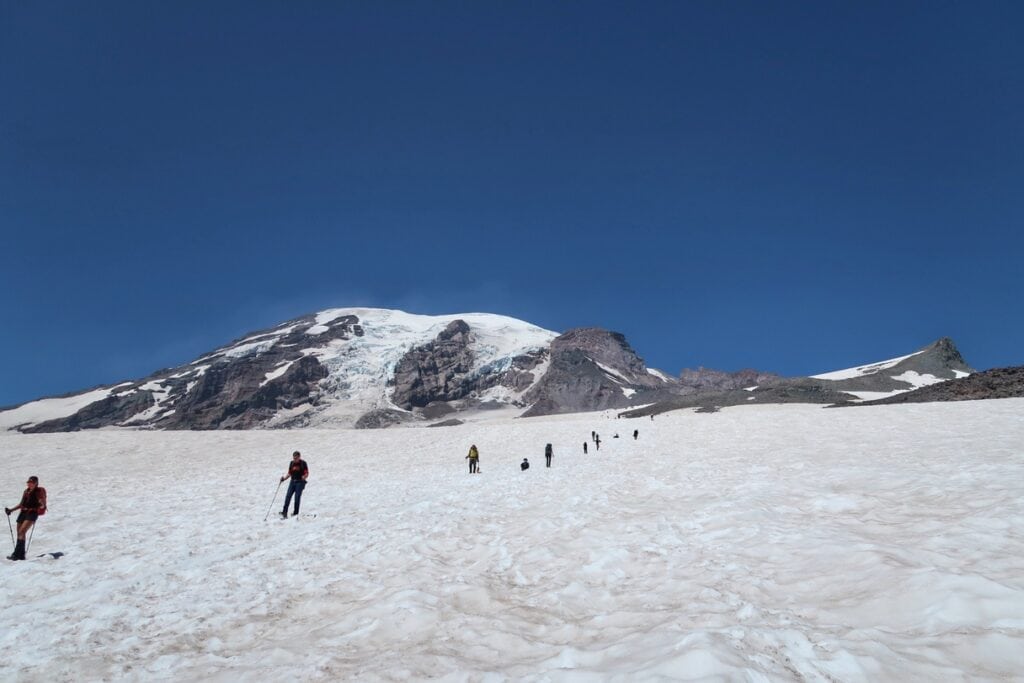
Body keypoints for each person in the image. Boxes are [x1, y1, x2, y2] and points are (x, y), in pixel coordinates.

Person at [5, 476, 46, 561]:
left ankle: (16, 554)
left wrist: (42, 505)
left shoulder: (39, 492)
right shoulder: (26, 491)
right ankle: (21, 555)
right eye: (29, 482)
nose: (30, 484)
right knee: (19, 532)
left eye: (32, 482)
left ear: (36, 483)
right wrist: (11, 510)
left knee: (22, 531)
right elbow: (21, 504)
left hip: (32, 513)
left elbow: (42, 502)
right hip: (23, 513)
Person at [280, 451, 309, 518]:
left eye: (296, 458)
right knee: (288, 496)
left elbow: (306, 473)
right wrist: (284, 479)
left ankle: (295, 513)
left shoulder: (303, 463)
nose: (295, 459)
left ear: (299, 457)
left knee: (297, 498)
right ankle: (284, 512)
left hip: (300, 483)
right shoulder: (292, 463)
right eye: (294, 458)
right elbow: (289, 473)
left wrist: (304, 477)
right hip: (292, 482)